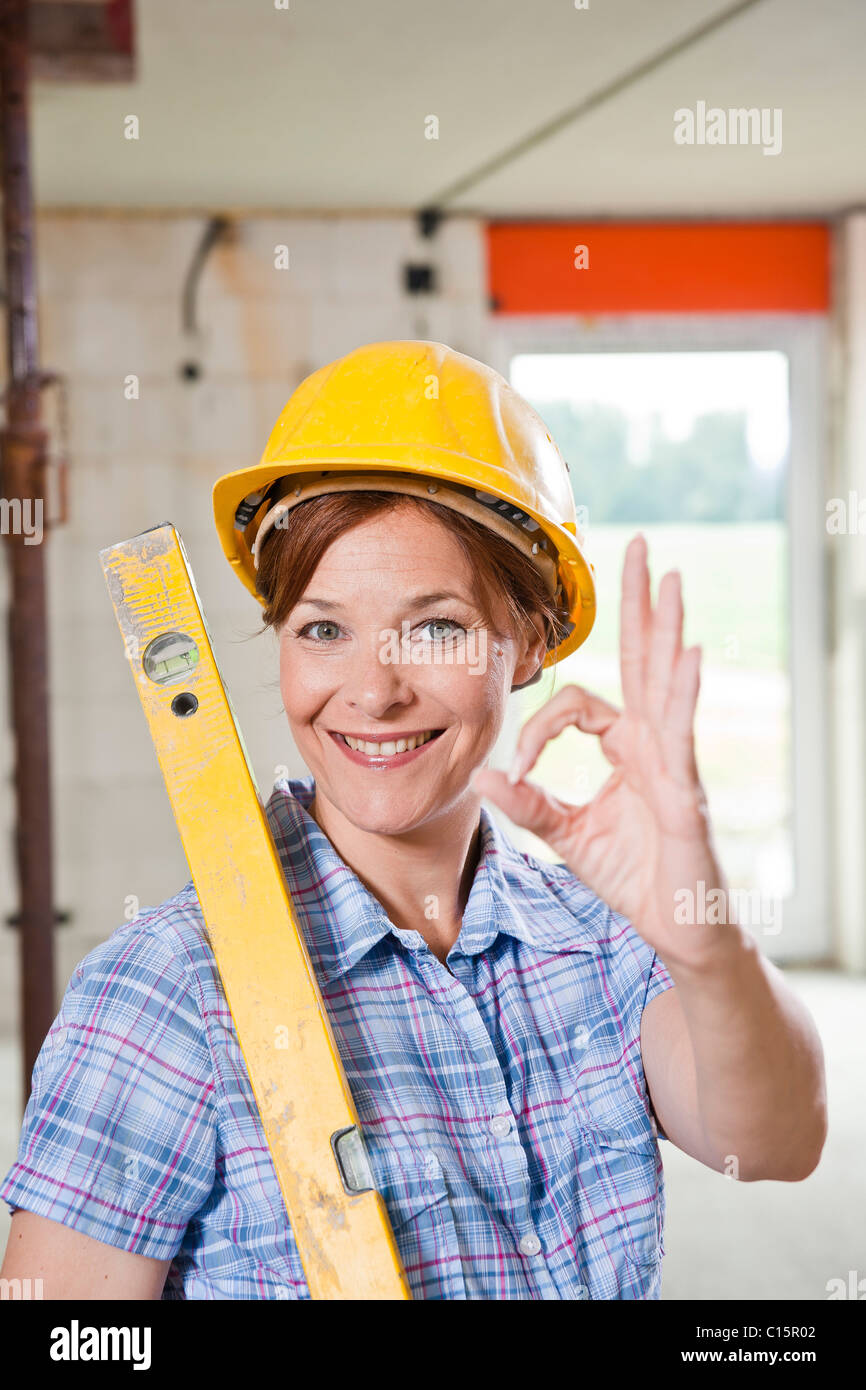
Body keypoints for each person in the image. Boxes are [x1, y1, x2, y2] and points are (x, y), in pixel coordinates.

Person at [0, 340, 826, 1300]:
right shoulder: (172, 989)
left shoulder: (601, 938)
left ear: (529, 642)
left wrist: (705, 941)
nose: (373, 691)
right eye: (323, 629)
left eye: (436, 627)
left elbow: (776, 1143)